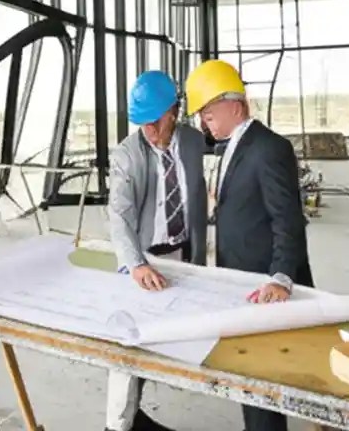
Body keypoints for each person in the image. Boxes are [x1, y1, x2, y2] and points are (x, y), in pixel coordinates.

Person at [184, 59, 312, 431]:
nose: (205, 122)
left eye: (209, 113)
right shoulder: (234, 146)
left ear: (235, 106)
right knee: (246, 376)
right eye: (203, 116)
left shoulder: (269, 148)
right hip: (239, 280)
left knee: (263, 380)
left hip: (264, 286)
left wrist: (281, 277)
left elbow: (287, 219)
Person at [106, 70, 209, 431]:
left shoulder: (195, 142)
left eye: (155, 122)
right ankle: (117, 425)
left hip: (186, 256)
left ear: (173, 112)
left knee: (167, 340)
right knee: (128, 345)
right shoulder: (126, 155)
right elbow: (119, 214)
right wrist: (135, 265)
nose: (149, 131)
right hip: (146, 259)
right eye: (142, 124)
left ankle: (133, 414)